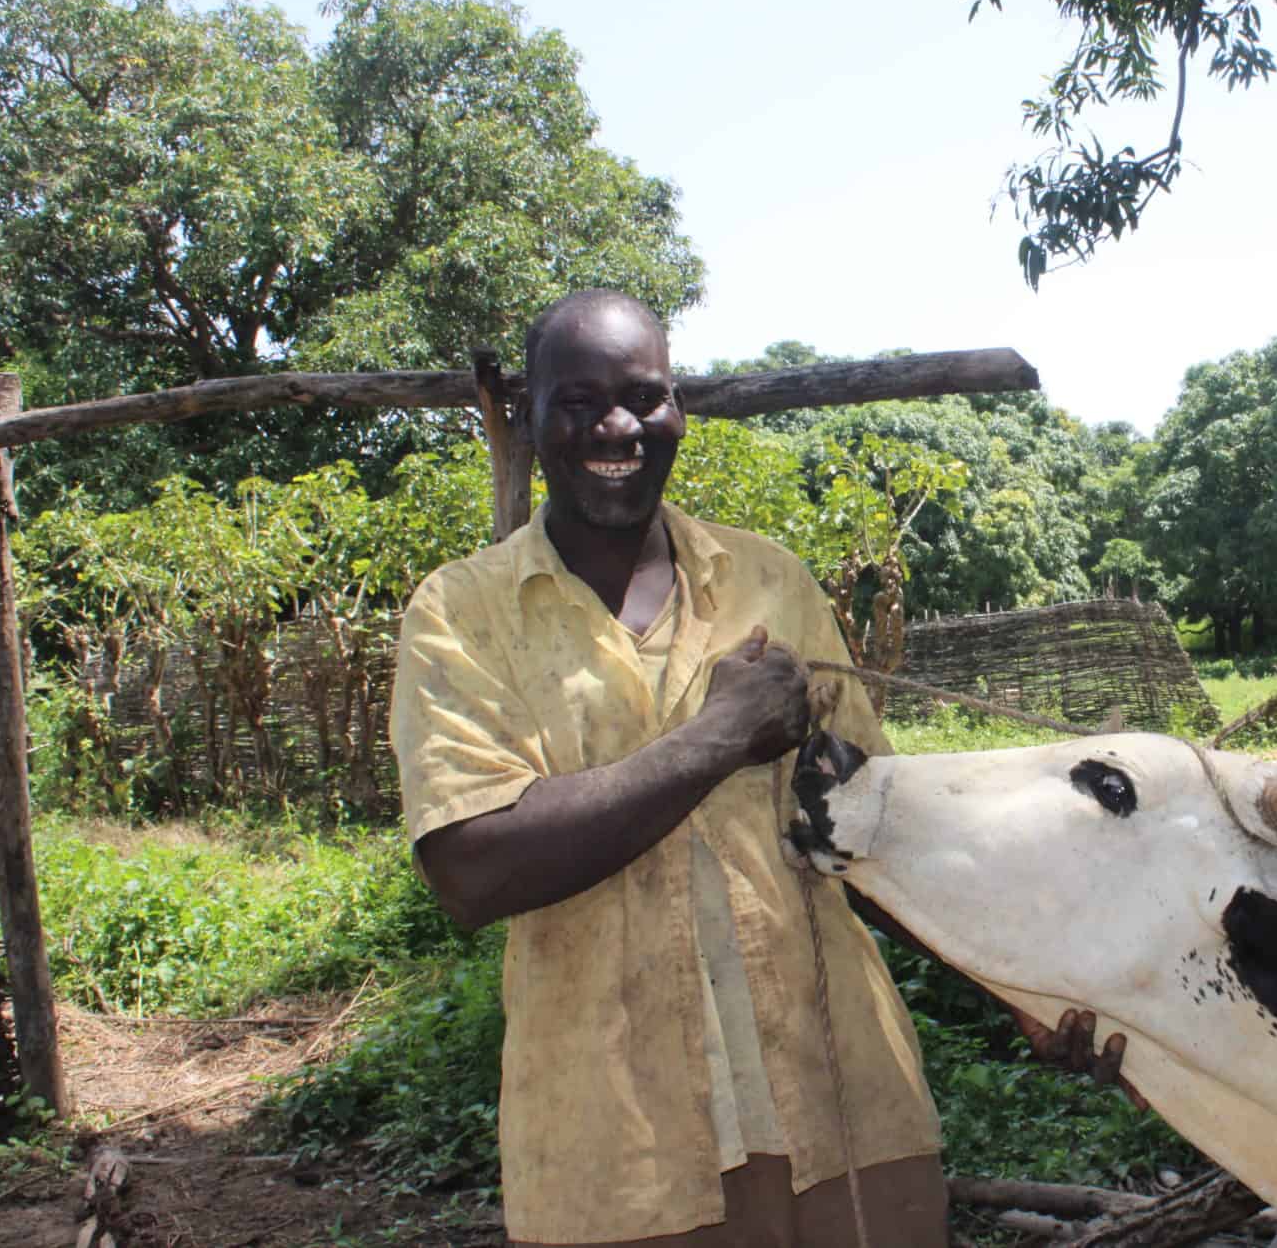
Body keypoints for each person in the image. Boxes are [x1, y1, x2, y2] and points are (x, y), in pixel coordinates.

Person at [390, 289, 946, 1247]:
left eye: (644, 397)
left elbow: (880, 823)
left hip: (842, 1105)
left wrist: (1033, 993)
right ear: (529, 415)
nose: (616, 426)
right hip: (616, 1153)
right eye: (580, 400)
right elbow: (471, 866)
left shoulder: (769, 579)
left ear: (678, 411)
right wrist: (718, 735)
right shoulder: (461, 614)